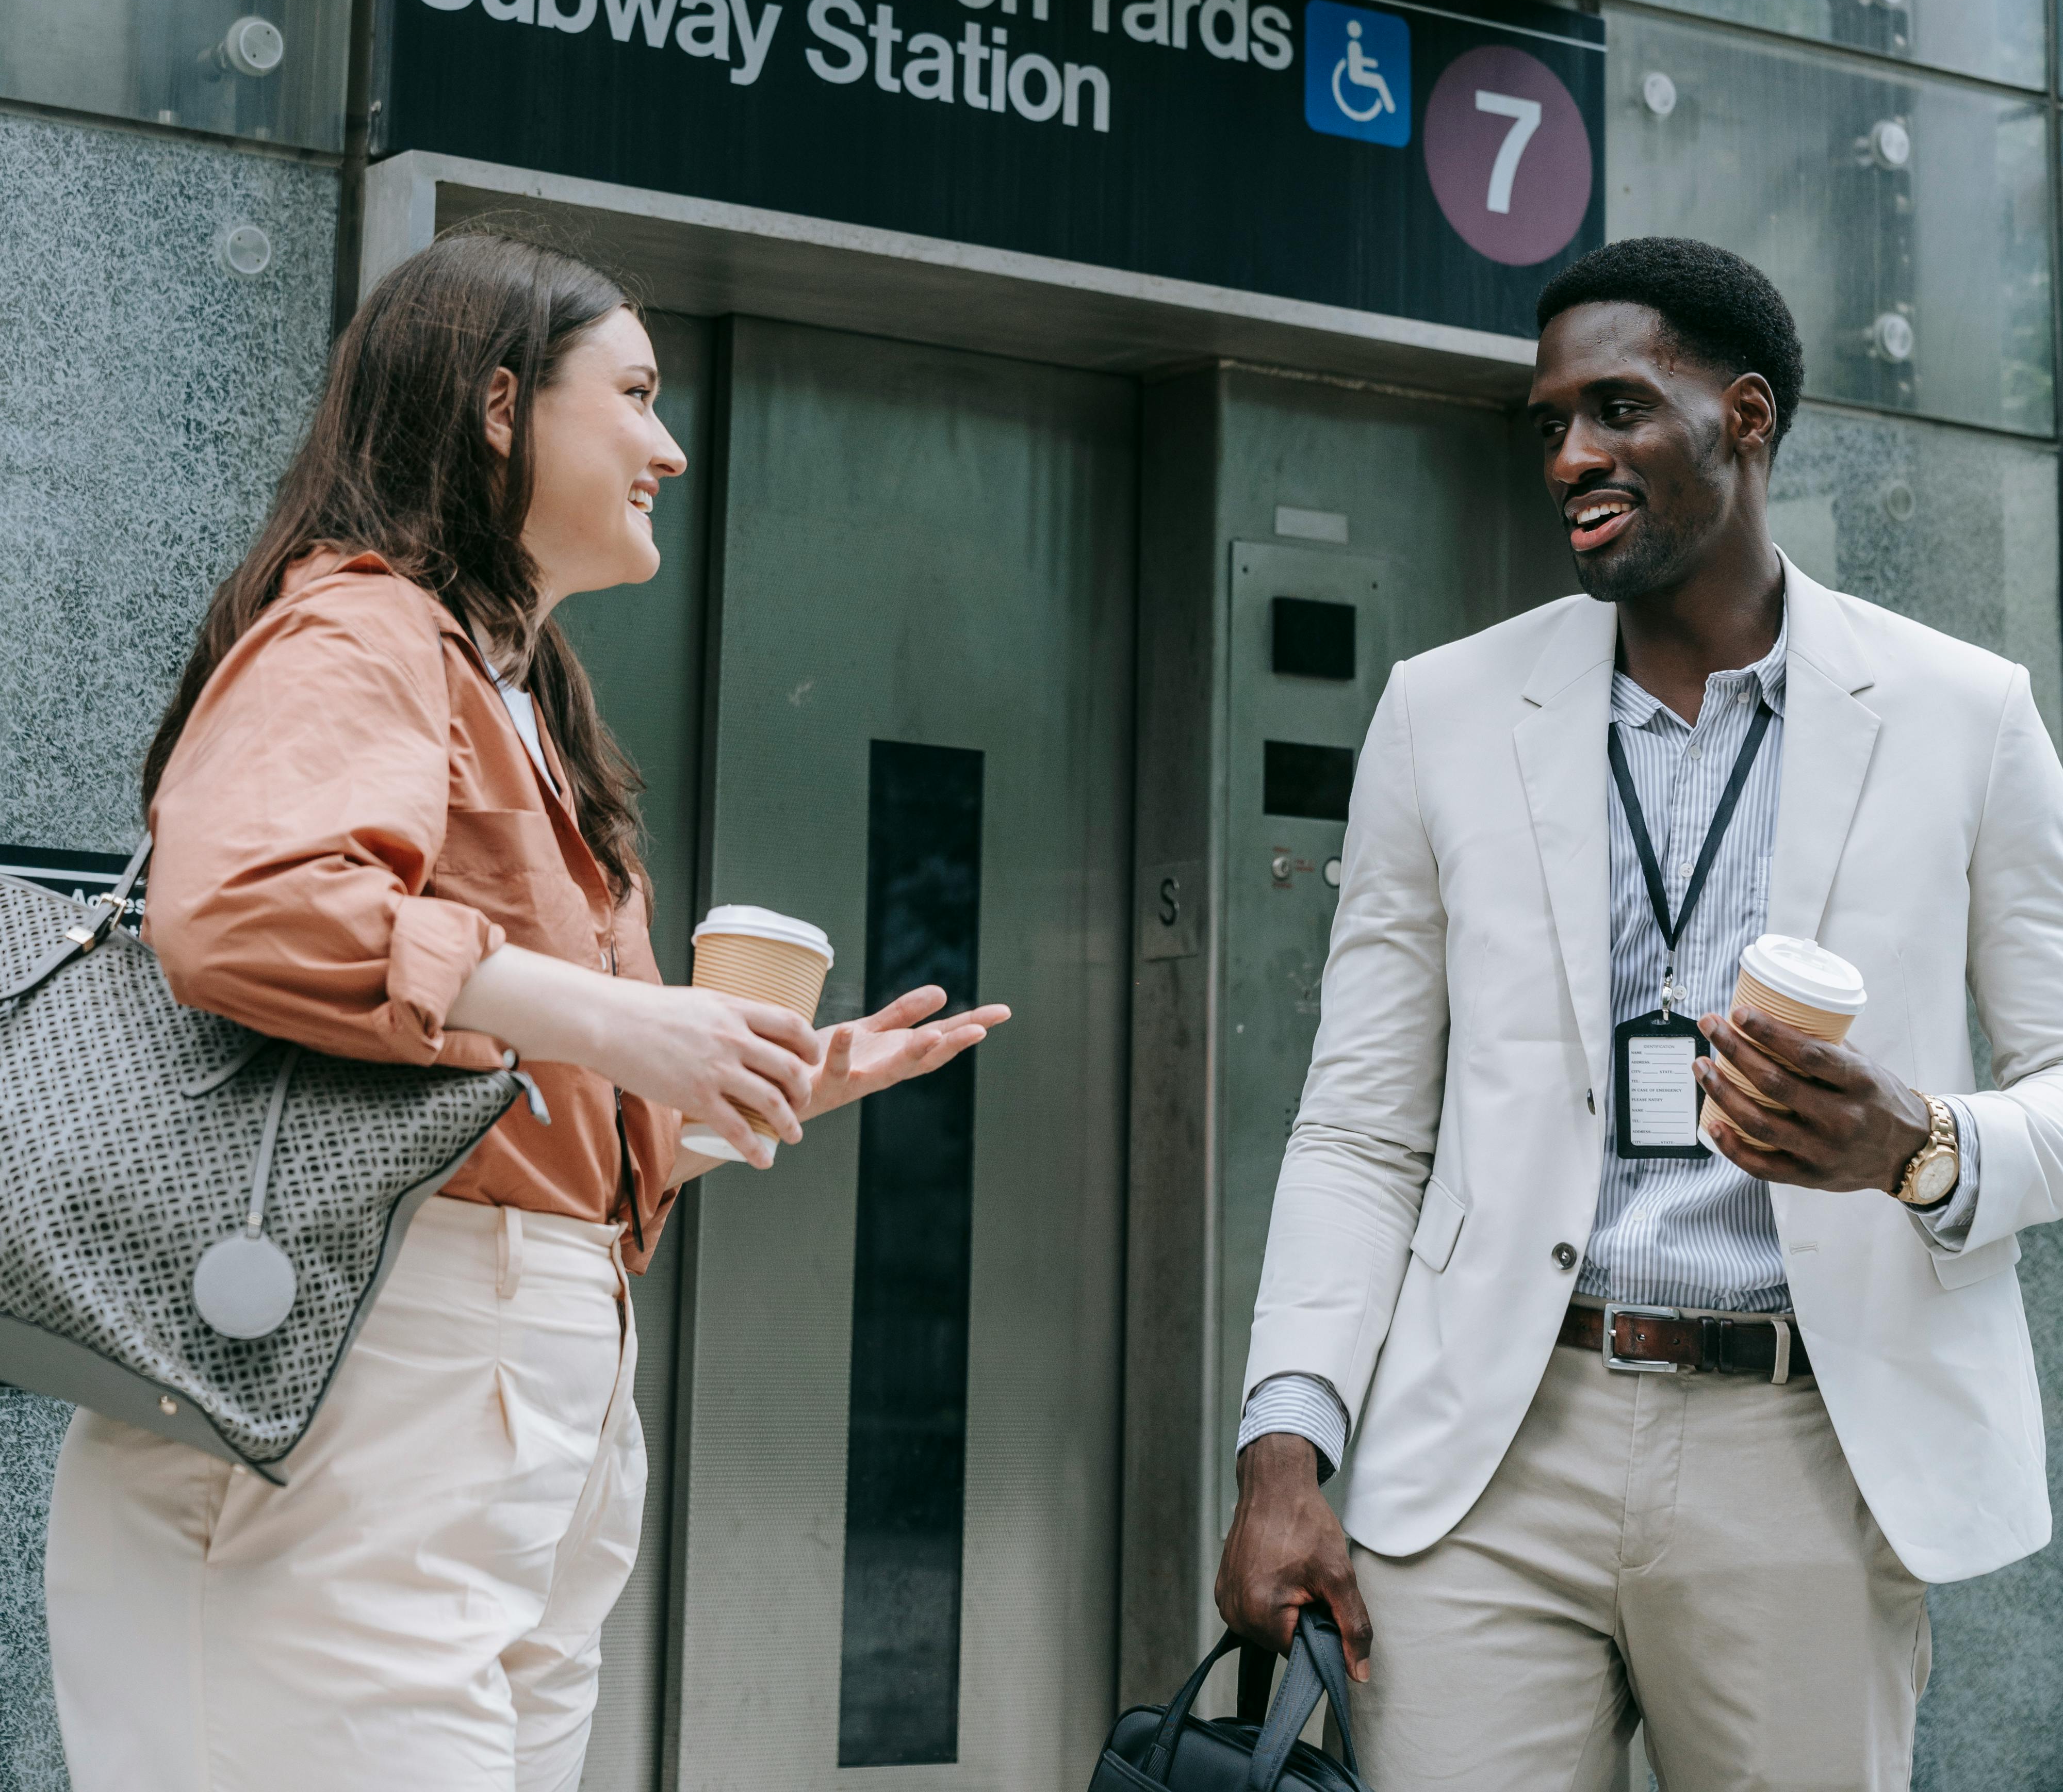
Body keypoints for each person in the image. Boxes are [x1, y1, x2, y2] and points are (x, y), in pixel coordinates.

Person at [44, 231, 1007, 1792]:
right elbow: (241, 913)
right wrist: (626, 1028)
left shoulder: (519, 689)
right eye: (632, 394)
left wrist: (735, 1085)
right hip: (367, 1370)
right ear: (501, 407)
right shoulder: (361, 628)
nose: (670, 447)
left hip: (503, 1386)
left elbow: (495, 1095)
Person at [1218, 235, 2063, 1792]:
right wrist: (1286, 1443)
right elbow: (1358, 1124)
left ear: (1744, 418)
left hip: (1807, 1446)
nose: (1572, 457)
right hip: (1485, 1453)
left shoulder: (1964, 714)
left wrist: (1923, 1147)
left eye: (1618, 410)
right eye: (1548, 424)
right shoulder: (1443, 711)